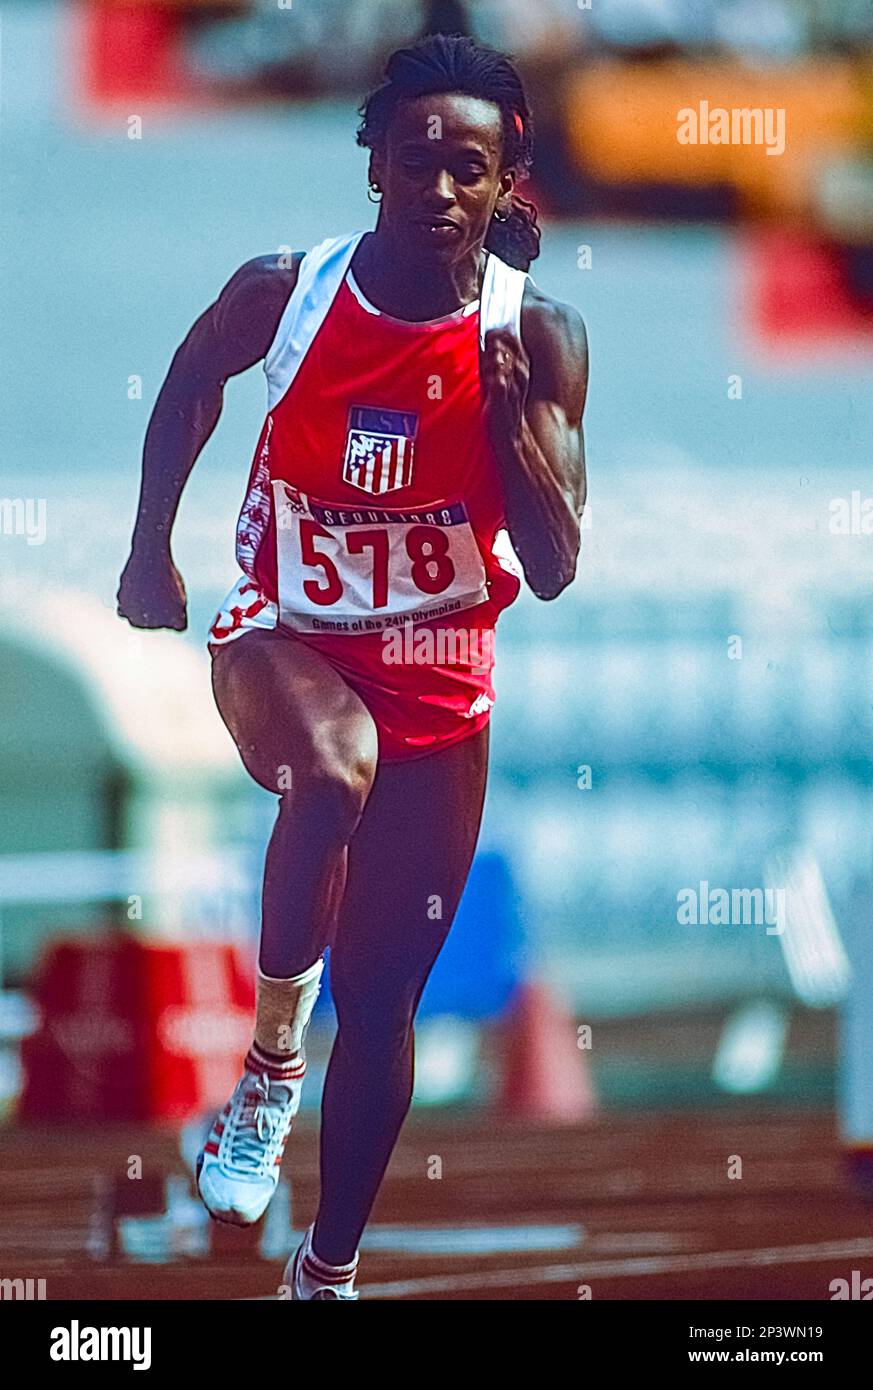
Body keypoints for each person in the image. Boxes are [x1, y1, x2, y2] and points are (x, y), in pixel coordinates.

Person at [117, 33, 587, 1301]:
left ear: (505, 186)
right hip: (284, 636)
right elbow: (189, 378)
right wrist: (149, 547)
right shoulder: (290, 291)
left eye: (469, 169)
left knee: (380, 1012)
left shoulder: (537, 338)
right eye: (418, 158)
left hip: (440, 685)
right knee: (331, 764)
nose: (440, 189)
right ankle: (270, 1067)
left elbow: (550, 565)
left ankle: (326, 1272)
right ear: (373, 162)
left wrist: (505, 424)